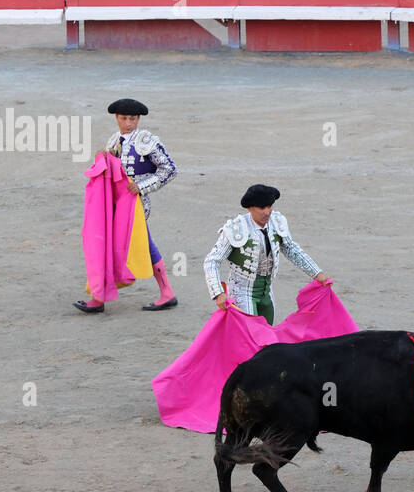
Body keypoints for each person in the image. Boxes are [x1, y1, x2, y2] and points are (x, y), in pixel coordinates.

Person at [74, 98, 178, 314]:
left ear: (138, 119)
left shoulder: (147, 140)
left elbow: (169, 169)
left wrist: (141, 186)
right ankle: (99, 296)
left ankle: (165, 293)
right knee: (107, 244)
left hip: (137, 203)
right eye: (124, 118)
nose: (129, 123)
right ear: (116, 118)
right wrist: (101, 159)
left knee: (143, 245)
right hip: (115, 203)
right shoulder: (113, 141)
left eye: (132, 119)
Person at [203, 184, 331, 323]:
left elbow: (291, 249)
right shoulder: (235, 229)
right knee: (250, 336)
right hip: (241, 293)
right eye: (262, 208)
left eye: (269, 206)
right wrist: (218, 293)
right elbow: (211, 261)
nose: (267, 212)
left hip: (267, 291)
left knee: (268, 334)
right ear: (250, 208)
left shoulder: (276, 222)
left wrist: (318, 274)